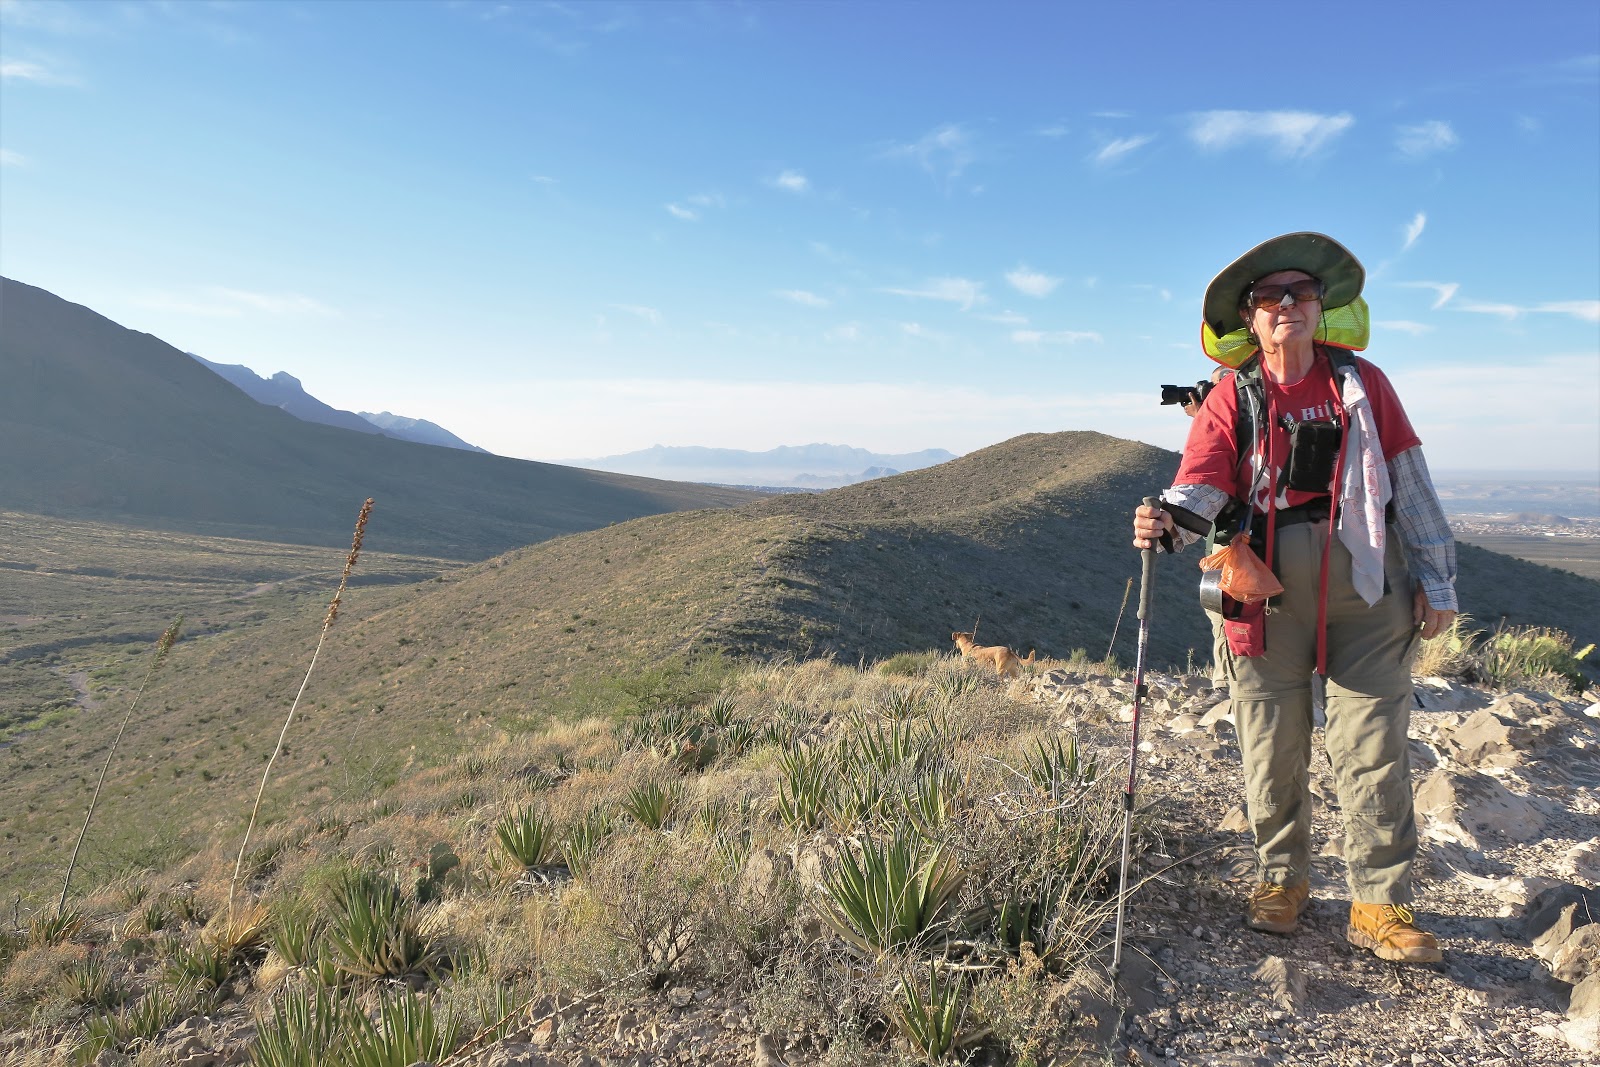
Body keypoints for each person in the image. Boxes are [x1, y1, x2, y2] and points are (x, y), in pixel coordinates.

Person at [1132, 232, 1457, 964]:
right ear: (1249, 318)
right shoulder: (1232, 395)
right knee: (1270, 740)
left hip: (1367, 582)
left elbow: (1411, 483)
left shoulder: (1364, 384)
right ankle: (1282, 880)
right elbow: (1203, 482)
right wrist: (1168, 523)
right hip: (1264, 591)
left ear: (1321, 308)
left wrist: (1439, 579)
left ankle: (1379, 903)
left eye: (1300, 293)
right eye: (1270, 297)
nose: (1286, 306)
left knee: (1374, 744)